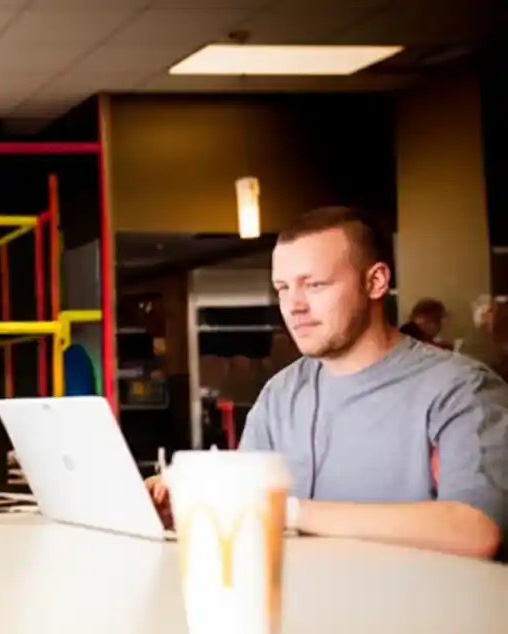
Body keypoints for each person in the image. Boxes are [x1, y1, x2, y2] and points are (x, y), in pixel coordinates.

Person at [147, 207, 508, 560]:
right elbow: (245, 509)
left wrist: (283, 510)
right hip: (298, 613)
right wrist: (187, 505)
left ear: (375, 282)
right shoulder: (279, 395)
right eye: (283, 288)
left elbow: (476, 530)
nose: (293, 306)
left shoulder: (462, 390)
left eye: (314, 285)